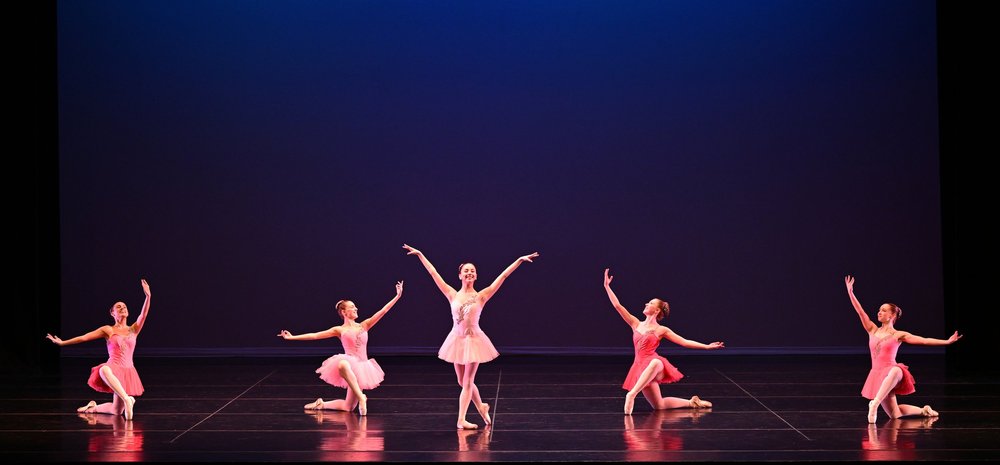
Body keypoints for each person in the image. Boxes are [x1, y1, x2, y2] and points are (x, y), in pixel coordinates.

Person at [403, 243, 539, 429]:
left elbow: (503, 276)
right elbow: (433, 273)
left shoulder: (482, 296)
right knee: (461, 381)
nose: (469, 273)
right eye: (466, 270)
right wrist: (420, 255)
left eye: (472, 271)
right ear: (460, 275)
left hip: (474, 340)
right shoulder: (451, 294)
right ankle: (482, 407)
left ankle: (461, 420)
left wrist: (519, 261)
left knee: (467, 381)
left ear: (476, 276)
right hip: (456, 339)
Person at [603, 269, 724, 415]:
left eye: (651, 303)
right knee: (659, 406)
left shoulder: (662, 330)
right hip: (640, 368)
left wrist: (706, 347)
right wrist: (607, 287)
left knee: (655, 362)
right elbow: (618, 306)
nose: (647, 303)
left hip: (656, 366)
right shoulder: (636, 323)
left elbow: (684, 342)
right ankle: (693, 402)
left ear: (657, 311)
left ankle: (632, 394)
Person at [844, 275, 962, 423]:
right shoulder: (872, 330)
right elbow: (860, 311)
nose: (879, 312)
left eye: (883, 310)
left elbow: (924, 341)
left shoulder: (898, 335)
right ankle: (924, 411)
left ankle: (874, 403)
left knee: (896, 370)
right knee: (895, 414)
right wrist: (850, 292)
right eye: (879, 310)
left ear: (892, 315)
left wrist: (946, 341)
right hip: (877, 375)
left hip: (893, 372)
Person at [279, 281, 403, 415]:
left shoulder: (364, 325)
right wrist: (292, 337)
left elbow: (383, 311)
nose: (356, 308)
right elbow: (314, 336)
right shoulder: (339, 330)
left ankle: (321, 404)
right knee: (342, 363)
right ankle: (362, 397)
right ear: (344, 312)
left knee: (348, 407)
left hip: (363, 368)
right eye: (352, 306)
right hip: (349, 365)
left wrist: (397, 296)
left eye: (355, 306)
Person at [46, 279, 150, 420]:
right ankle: (127, 399)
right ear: (112, 313)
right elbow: (84, 337)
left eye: (124, 306)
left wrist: (148, 296)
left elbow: (143, 315)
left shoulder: (133, 329)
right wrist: (63, 343)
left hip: (127, 370)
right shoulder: (108, 329)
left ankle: (92, 408)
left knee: (116, 411)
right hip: (114, 367)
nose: (122, 308)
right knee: (103, 369)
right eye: (118, 307)